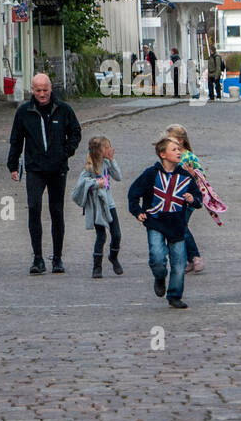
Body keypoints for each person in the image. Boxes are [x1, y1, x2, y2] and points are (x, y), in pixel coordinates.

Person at [7, 72, 82, 274]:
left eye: (45, 90)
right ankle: (38, 258)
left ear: (51, 89)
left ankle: (57, 258)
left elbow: (76, 132)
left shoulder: (63, 109)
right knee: (33, 208)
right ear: (33, 90)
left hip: (57, 168)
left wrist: (65, 152)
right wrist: (13, 165)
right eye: (38, 90)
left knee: (57, 211)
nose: (42, 94)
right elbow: (16, 139)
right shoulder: (24, 111)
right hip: (35, 168)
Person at [127, 135, 202, 309]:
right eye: (174, 149)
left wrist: (192, 199)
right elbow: (133, 193)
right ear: (162, 154)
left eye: (179, 149)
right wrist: (137, 211)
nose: (178, 152)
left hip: (177, 224)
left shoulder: (185, 176)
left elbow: (198, 198)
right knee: (157, 257)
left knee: (179, 263)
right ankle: (160, 277)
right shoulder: (151, 174)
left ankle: (175, 295)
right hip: (155, 221)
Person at [162, 122, 227, 269]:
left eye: (170, 139)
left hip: (189, 197)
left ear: (180, 140)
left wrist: (193, 174)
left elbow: (202, 175)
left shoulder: (188, 157)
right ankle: (189, 260)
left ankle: (195, 258)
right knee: (180, 226)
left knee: (181, 226)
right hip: (174, 197)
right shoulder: (171, 155)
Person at [71, 136, 123, 279]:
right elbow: (80, 185)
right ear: (98, 151)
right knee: (101, 236)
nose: (110, 150)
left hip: (110, 204)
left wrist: (113, 160)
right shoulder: (89, 167)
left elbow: (118, 177)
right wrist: (95, 183)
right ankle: (97, 266)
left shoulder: (107, 163)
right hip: (97, 207)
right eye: (106, 148)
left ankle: (113, 256)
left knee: (117, 234)